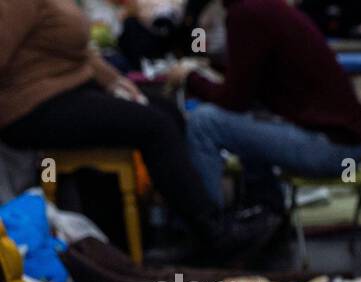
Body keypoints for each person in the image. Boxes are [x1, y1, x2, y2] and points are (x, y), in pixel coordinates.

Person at [0, 0, 272, 262]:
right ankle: (213, 232)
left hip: (68, 91)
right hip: (31, 107)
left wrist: (115, 82)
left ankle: (181, 225)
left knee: (167, 110)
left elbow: (81, 53)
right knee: (155, 127)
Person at [165, 0, 361, 212]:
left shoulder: (246, 13)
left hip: (332, 148)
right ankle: (265, 215)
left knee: (204, 123)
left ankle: (212, 230)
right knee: (245, 122)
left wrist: (190, 78)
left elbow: (234, 100)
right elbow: (249, 78)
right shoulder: (264, 7)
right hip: (346, 144)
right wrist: (208, 69)